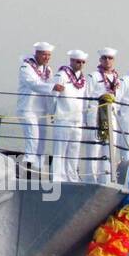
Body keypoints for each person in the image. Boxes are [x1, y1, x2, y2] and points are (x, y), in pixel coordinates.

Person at [50, 49, 90, 183]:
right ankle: (57, 177)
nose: (80, 64)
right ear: (72, 61)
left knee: (74, 150)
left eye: (83, 62)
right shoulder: (61, 75)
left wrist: (84, 118)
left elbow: (85, 100)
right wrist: (53, 113)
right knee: (60, 150)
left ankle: (72, 177)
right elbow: (53, 97)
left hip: (77, 120)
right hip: (63, 118)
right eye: (78, 61)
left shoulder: (83, 79)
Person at [16, 41, 55, 174]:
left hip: (41, 110)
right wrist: (53, 87)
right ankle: (28, 165)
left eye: (49, 55)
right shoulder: (26, 67)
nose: (47, 58)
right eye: (44, 55)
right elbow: (34, 84)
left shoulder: (47, 70)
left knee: (42, 139)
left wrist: (52, 110)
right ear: (37, 54)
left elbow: (50, 93)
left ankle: (38, 167)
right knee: (33, 137)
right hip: (27, 109)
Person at [85, 47, 122, 183]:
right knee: (94, 148)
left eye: (110, 58)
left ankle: (105, 178)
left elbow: (118, 99)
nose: (107, 60)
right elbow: (87, 97)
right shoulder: (93, 76)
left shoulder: (116, 78)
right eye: (105, 58)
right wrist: (86, 118)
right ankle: (90, 178)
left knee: (110, 147)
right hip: (95, 114)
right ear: (100, 60)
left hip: (110, 115)